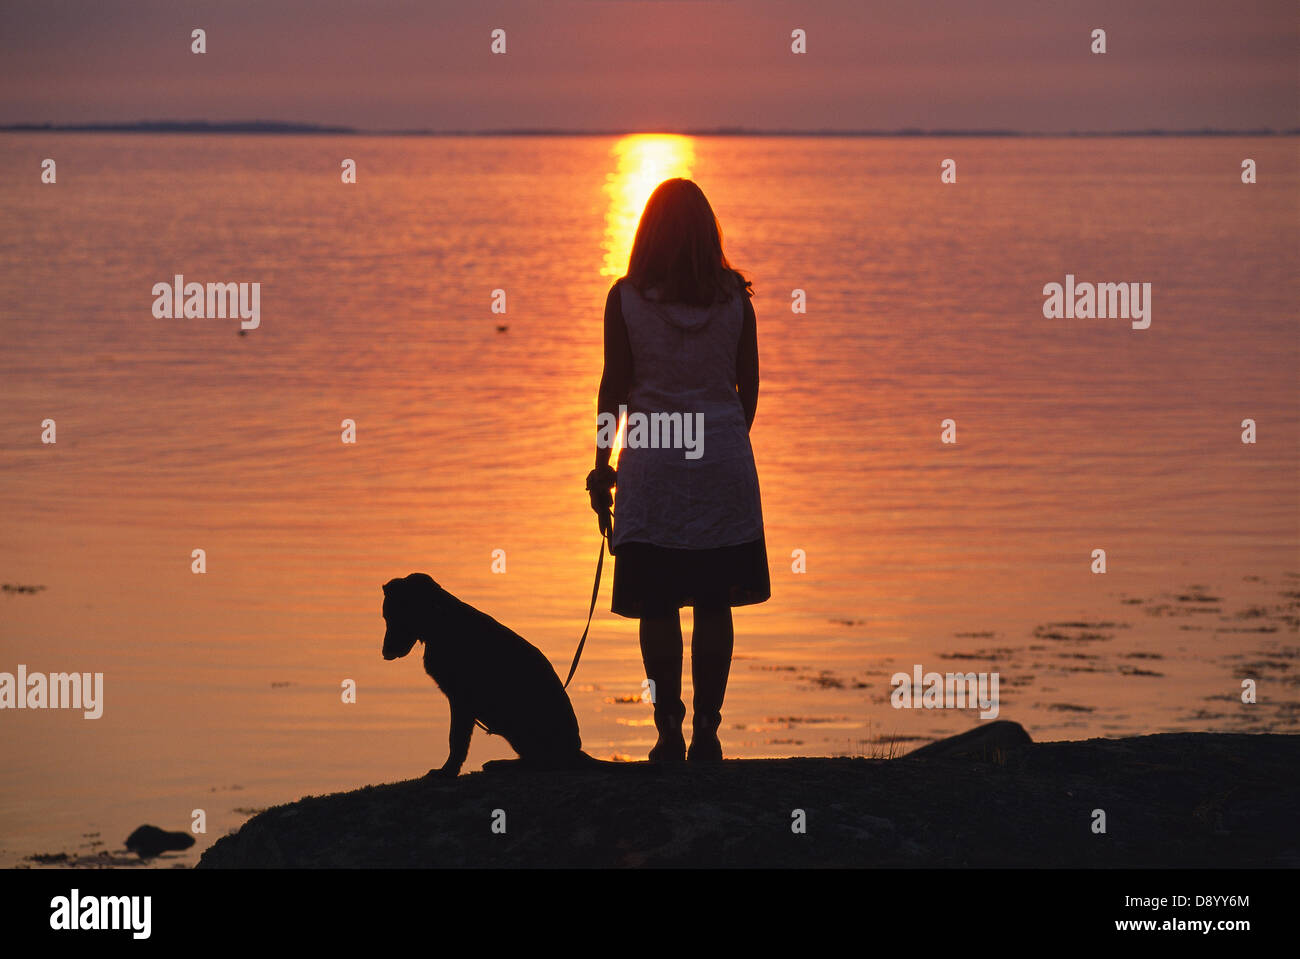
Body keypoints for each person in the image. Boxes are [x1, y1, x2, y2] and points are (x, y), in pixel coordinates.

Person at [587, 177, 770, 763]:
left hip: (652, 464)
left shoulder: (626, 298)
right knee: (715, 601)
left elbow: (614, 388)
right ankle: (708, 732)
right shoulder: (735, 299)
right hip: (722, 461)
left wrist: (601, 464)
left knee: (658, 603)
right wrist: (722, 438)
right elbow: (750, 389)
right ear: (706, 232)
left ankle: (668, 731)